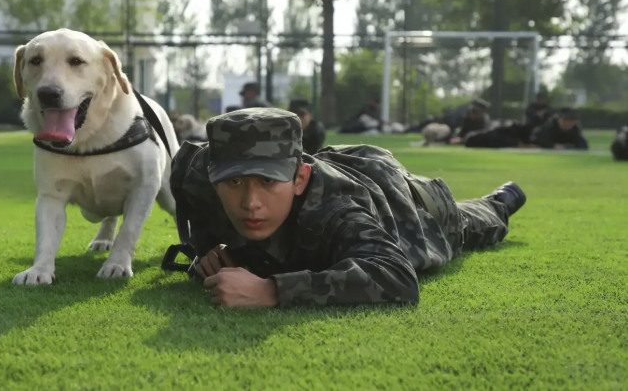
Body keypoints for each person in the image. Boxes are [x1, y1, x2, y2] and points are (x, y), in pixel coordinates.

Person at [163, 108, 526, 308]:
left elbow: (397, 278)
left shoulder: (334, 210)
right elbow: (195, 199)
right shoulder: (200, 175)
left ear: (299, 179)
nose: (250, 202)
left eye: (268, 182)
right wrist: (207, 252)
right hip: (341, 161)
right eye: (235, 183)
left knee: (464, 222)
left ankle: (501, 200)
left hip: (410, 204)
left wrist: (271, 291)